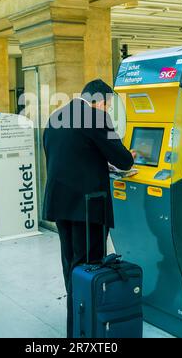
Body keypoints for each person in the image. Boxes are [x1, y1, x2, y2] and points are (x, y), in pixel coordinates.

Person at [43, 79, 135, 338]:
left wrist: (96, 164)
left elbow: (65, 157)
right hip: (88, 207)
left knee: (71, 263)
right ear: (102, 101)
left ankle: (76, 320)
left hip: (61, 203)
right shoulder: (96, 118)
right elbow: (124, 160)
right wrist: (126, 159)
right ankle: (88, 327)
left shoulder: (56, 116)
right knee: (90, 264)